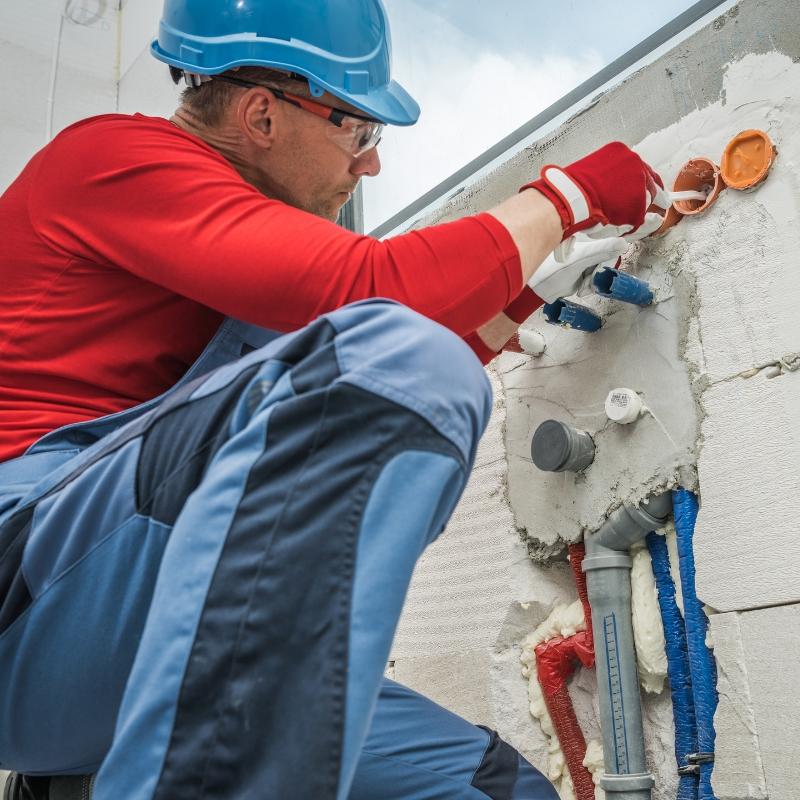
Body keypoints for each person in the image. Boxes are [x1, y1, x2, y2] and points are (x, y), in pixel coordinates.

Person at [0, 1, 667, 797]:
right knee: (400, 358)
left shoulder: (226, 247)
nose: (371, 165)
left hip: (143, 640)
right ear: (261, 114)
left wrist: (496, 311)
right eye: (360, 131)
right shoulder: (112, 156)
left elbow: (319, 396)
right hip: (32, 587)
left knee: (486, 786)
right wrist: (565, 198)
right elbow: (375, 305)